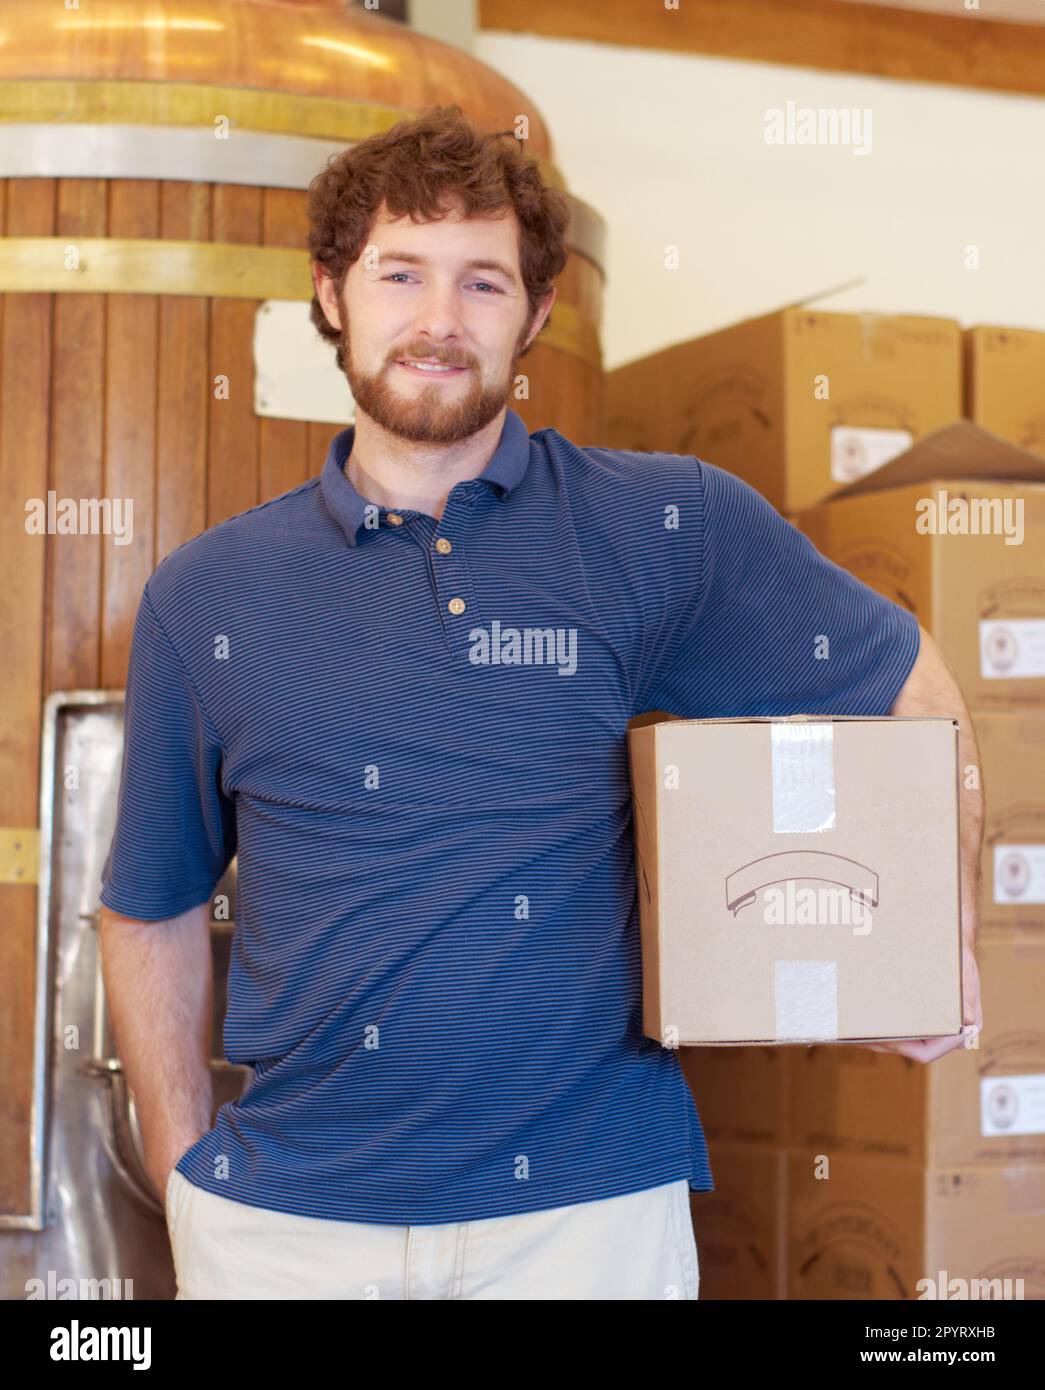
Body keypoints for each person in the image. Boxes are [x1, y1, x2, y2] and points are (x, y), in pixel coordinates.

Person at [98, 105, 982, 1301]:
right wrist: (185, 1167)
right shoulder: (207, 594)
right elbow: (148, 904)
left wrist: (929, 946)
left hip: (586, 1222)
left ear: (537, 314)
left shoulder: (663, 527)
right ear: (329, 295)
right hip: (289, 1231)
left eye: (482, 283)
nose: (437, 321)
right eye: (399, 272)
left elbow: (908, 689)